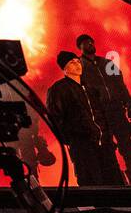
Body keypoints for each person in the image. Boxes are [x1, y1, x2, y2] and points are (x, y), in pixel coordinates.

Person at [46, 51, 123, 185]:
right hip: (82, 144)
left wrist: (108, 135)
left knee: (113, 179)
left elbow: (102, 113)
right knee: (91, 180)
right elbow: (54, 117)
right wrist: (72, 138)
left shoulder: (90, 88)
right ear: (64, 68)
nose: (77, 64)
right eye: (72, 62)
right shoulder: (58, 89)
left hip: (104, 142)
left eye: (77, 61)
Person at [75, 34, 131, 184]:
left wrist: (129, 103)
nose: (90, 44)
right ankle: (114, 178)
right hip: (98, 112)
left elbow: (120, 84)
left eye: (91, 41)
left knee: (126, 143)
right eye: (86, 43)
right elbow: (78, 90)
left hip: (116, 108)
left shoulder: (106, 63)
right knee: (106, 146)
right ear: (80, 47)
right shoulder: (79, 66)